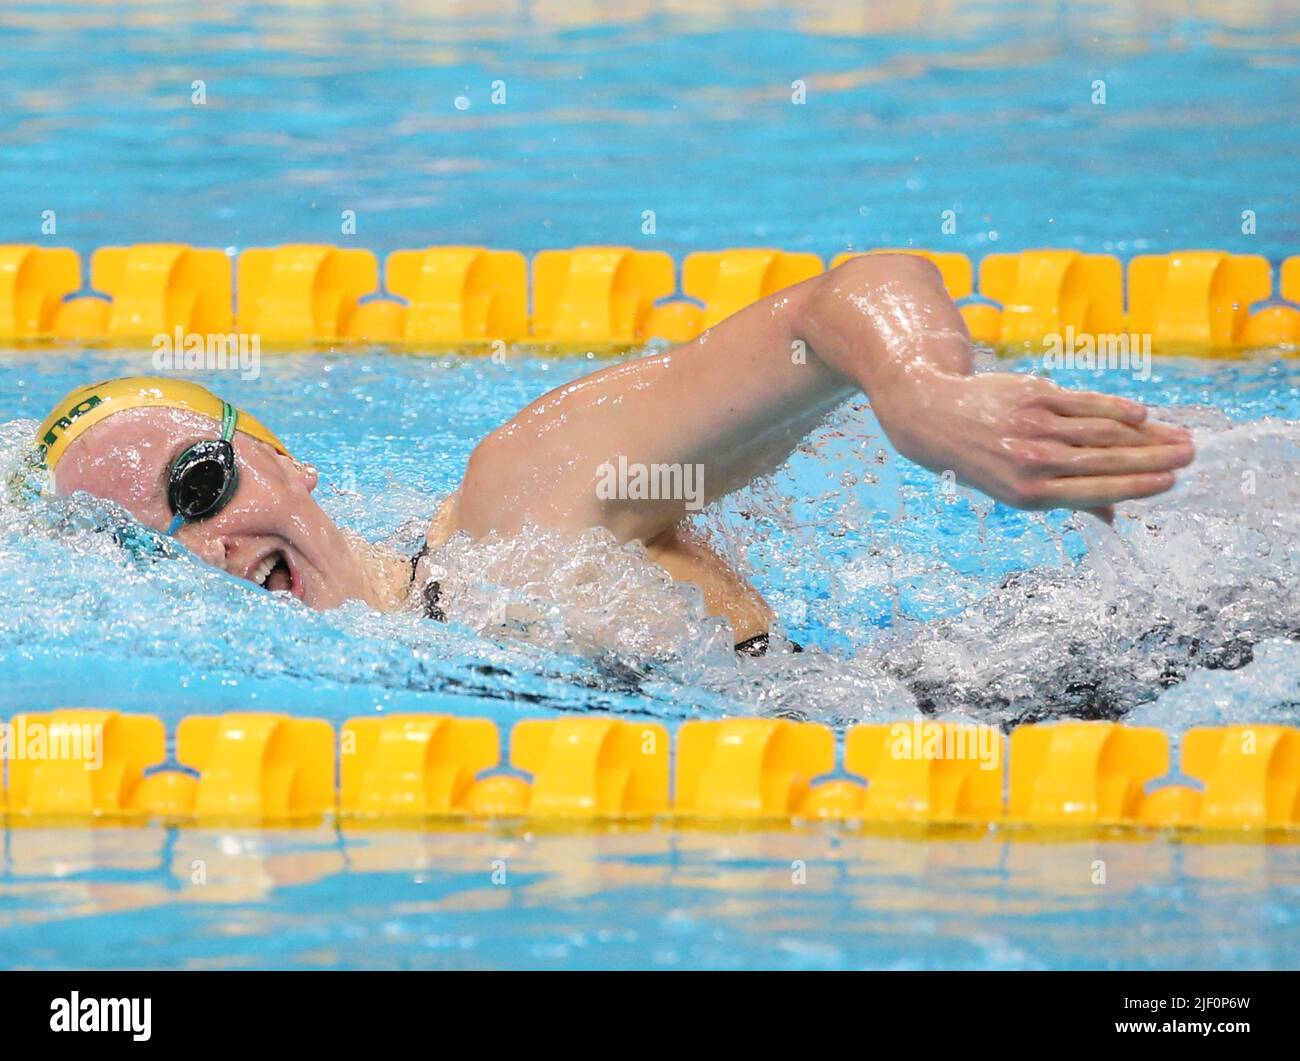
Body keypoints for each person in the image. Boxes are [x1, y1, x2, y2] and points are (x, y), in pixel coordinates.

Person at [33, 254, 1194, 654]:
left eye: (198, 484)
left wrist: (922, 390)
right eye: (147, 547)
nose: (205, 546)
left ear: (286, 463)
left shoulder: (514, 514)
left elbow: (841, 300)